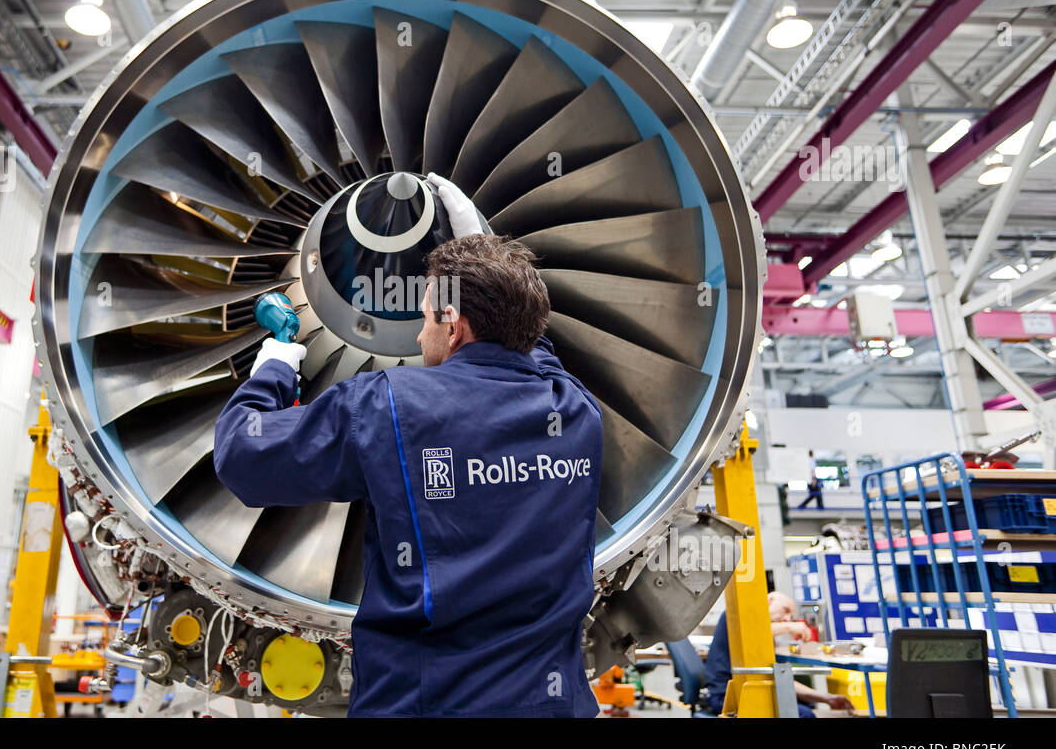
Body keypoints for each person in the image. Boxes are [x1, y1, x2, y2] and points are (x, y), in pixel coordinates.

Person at [213, 174, 604, 718]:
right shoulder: (577, 412)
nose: (419, 338)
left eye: (423, 318)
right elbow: (530, 344)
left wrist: (273, 369)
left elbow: (242, 458)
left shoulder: (384, 406)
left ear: (455, 324)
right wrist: (483, 252)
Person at [701, 591, 854, 717]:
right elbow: (754, 631)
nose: (787, 618)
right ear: (770, 600)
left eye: (791, 616)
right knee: (804, 714)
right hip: (725, 697)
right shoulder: (735, 615)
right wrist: (790, 626)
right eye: (786, 610)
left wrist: (827, 698)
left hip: (750, 690)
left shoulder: (763, 638)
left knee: (807, 705)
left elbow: (780, 679)